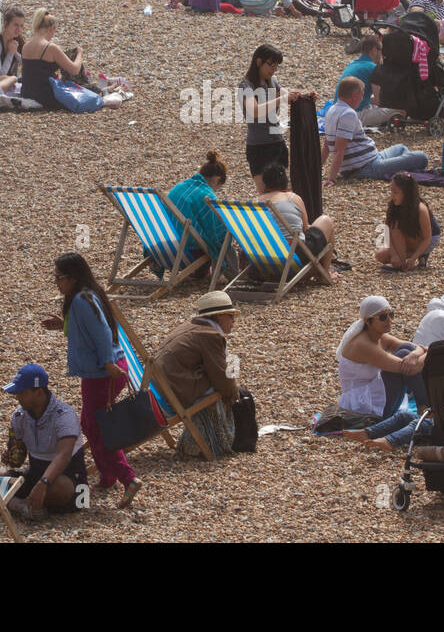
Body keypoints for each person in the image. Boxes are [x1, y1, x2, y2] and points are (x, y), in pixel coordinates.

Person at [41, 253, 141, 507]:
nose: (57, 283)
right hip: (98, 373)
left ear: (73, 278)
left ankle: (128, 478)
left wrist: (107, 363)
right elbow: (85, 329)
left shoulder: (83, 300)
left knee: (97, 427)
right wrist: (62, 325)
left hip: (104, 373)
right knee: (89, 423)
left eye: (59, 278)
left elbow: (102, 333)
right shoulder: (83, 298)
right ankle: (107, 476)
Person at [152, 291, 242, 459]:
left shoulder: (192, 326)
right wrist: (234, 391)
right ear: (220, 316)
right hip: (172, 398)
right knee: (226, 391)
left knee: (228, 378)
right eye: (231, 316)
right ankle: (210, 443)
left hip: (156, 391)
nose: (234, 321)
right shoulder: (210, 336)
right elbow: (222, 380)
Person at [0, 364, 90, 519]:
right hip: (35, 476)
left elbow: (64, 455)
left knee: (60, 487)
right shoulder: (20, 416)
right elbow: (18, 460)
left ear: (39, 392)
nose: (17, 397)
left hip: (70, 483)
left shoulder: (64, 415)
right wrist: (11, 456)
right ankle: (24, 505)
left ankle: (17, 503)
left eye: (22, 393)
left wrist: (42, 484)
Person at [337, 295, 426, 425]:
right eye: (383, 317)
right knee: (403, 357)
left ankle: (424, 407)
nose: (389, 320)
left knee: (405, 350)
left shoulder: (379, 336)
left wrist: (416, 353)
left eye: (391, 314)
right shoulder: (363, 345)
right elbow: (409, 368)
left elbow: (413, 346)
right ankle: (426, 407)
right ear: (368, 321)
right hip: (360, 406)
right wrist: (429, 352)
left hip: (372, 392)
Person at [323, 77, 429, 184]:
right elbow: (339, 149)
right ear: (354, 96)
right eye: (362, 94)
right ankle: (402, 170)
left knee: (401, 148)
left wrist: (317, 171)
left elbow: (326, 146)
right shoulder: (347, 114)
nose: (362, 98)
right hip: (366, 167)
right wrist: (331, 178)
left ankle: (401, 169)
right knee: (422, 157)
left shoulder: (331, 110)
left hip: (372, 158)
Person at [256, 164, 337, 282]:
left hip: (264, 257)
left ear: (265, 184)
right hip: (293, 255)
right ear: (285, 181)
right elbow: (305, 229)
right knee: (326, 220)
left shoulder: (256, 202)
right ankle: (324, 274)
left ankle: (315, 271)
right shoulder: (292, 198)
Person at [241, 44, 292, 191]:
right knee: (265, 192)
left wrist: (304, 97)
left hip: (277, 144)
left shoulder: (272, 81)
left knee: (283, 191)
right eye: (271, 65)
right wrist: (281, 100)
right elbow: (254, 111)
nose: (274, 69)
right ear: (258, 62)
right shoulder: (246, 86)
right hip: (259, 147)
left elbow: (286, 94)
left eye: (276, 66)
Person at [21, 8, 93, 111]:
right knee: (92, 92)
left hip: (26, 93)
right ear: (52, 28)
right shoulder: (51, 48)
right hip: (45, 97)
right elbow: (74, 70)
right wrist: (80, 53)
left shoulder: (26, 46)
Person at [376, 172, 439, 269]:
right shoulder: (393, 206)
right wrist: (394, 255)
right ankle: (417, 257)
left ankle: (403, 263)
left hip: (428, 239)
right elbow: (387, 232)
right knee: (381, 255)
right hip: (410, 235)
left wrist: (413, 259)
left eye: (396, 192)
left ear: (406, 193)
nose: (392, 195)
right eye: (391, 191)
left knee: (396, 227)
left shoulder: (420, 209)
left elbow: (427, 238)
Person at [334, 34, 399, 128]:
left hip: (337, 113)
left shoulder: (353, 64)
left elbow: (367, 99)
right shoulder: (372, 68)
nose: (382, 53)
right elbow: (379, 100)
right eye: (380, 49)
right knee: (400, 109)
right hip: (353, 116)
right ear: (374, 50)